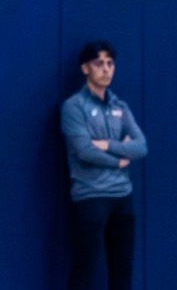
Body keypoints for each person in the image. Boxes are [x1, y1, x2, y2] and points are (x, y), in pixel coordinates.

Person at [60, 41, 148, 290]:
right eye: (99, 64)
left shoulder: (120, 106)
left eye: (110, 64)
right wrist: (120, 159)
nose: (106, 69)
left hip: (122, 196)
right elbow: (84, 151)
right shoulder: (74, 107)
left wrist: (107, 145)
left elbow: (141, 146)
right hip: (90, 196)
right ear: (85, 68)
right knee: (84, 271)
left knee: (122, 271)